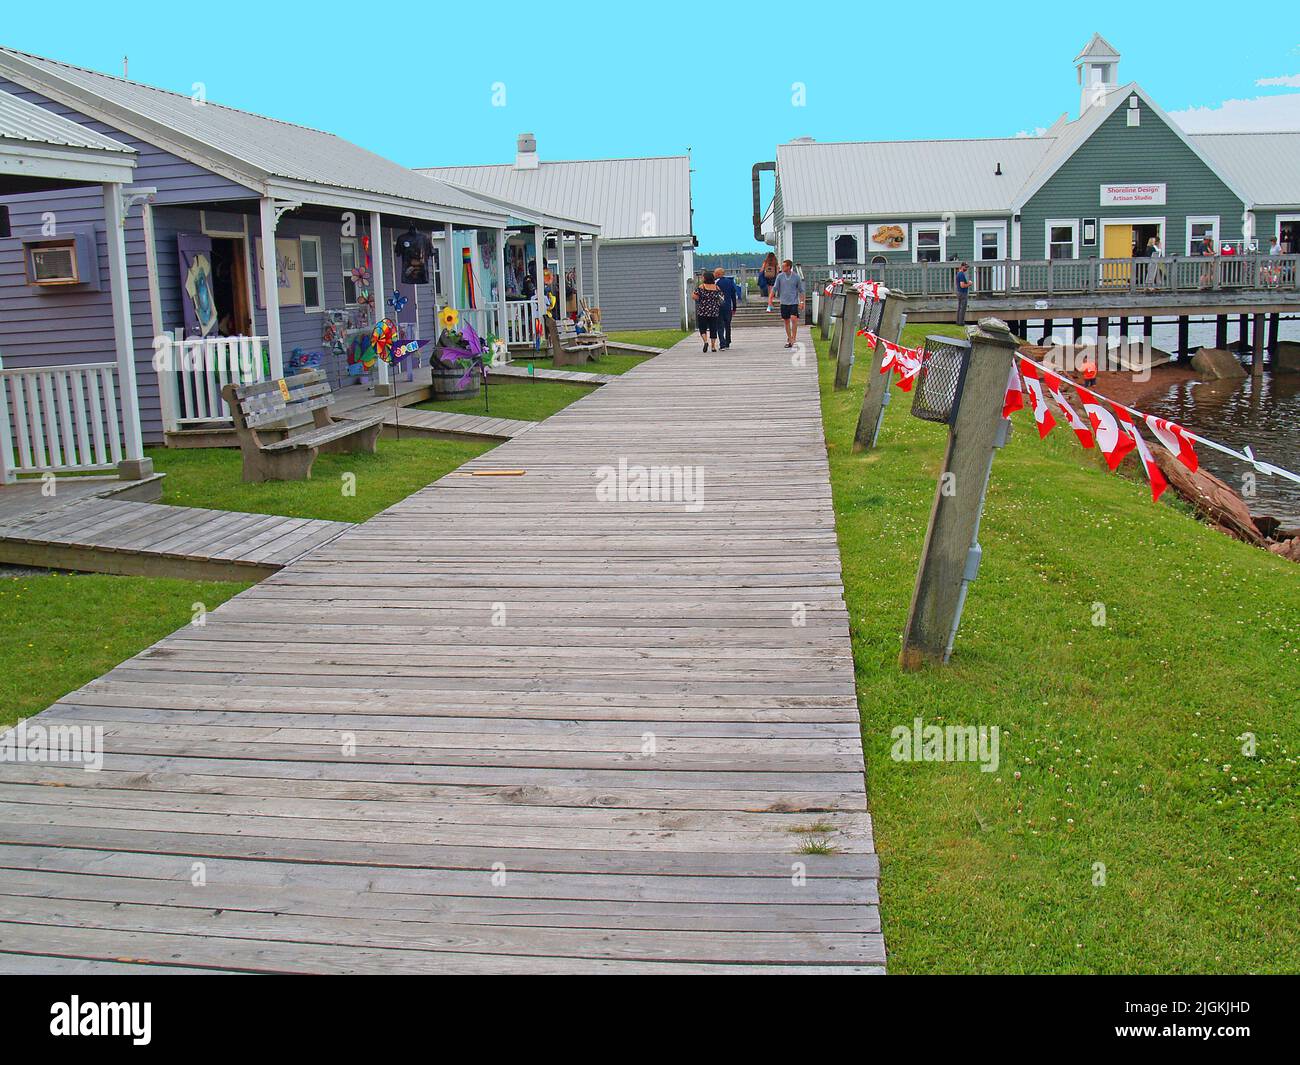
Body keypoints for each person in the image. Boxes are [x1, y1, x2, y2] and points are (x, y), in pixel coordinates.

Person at [771, 259, 805, 348]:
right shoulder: (780, 277)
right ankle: (789, 338)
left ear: (789, 267)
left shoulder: (796, 277)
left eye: (784, 266)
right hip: (784, 302)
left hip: (793, 302)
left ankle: (794, 338)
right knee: (786, 321)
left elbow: (801, 291)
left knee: (794, 319)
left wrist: (801, 302)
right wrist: (770, 300)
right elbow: (774, 288)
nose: (782, 268)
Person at [693, 272, 724, 352]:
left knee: (702, 327)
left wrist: (701, 299)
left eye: (703, 277)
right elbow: (721, 298)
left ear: (705, 278)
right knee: (713, 328)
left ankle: (706, 342)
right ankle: (713, 347)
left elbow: (694, 296)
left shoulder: (702, 287)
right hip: (714, 311)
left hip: (703, 311)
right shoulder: (717, 287)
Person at [714, 267, 740, 350]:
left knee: (719, 325)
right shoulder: (730, 282)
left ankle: (722, 343)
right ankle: (728, 342)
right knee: (727, 324)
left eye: (715, 273)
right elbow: (733, 295)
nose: (714, 274)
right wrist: (734, 307)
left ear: (718, 274)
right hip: (728, 306)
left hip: (718, 306)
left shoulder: (716, 283)